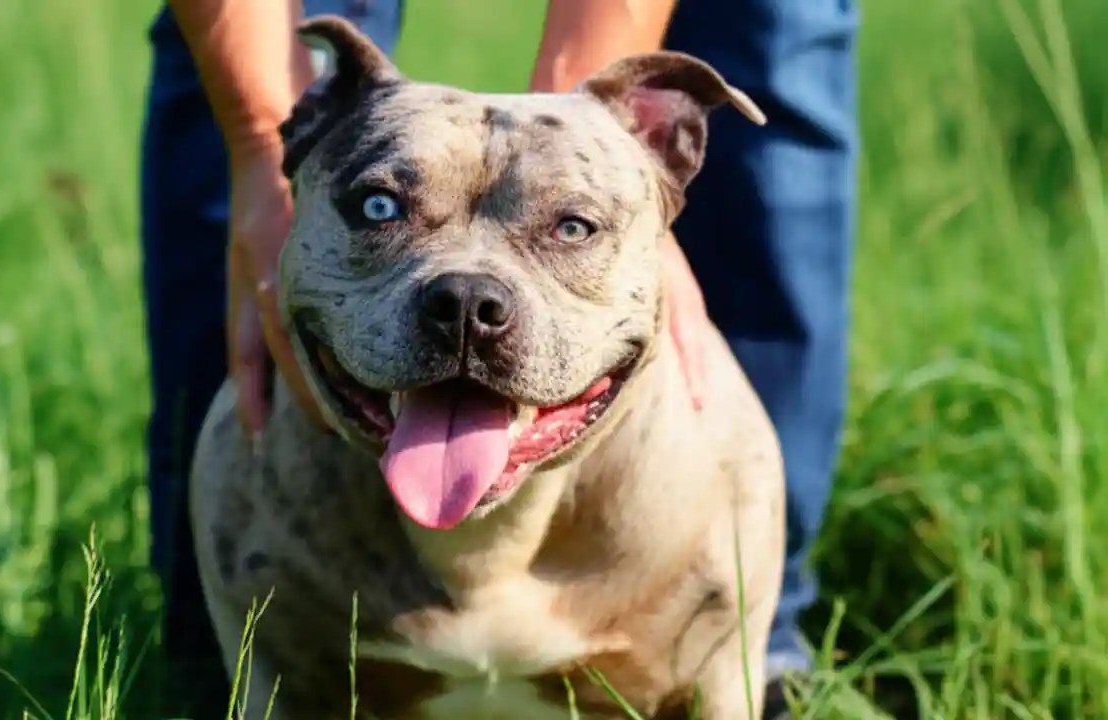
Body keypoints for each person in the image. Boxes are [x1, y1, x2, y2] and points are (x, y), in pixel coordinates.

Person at [138, 0, 855, 716]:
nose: (467, 297)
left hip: (661, 534)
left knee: (771, 25)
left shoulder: (715, 490)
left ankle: (772, 645)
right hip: (306, 541)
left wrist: (604, 135)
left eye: (573, 224)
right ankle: (202, 660)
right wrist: (262, 144)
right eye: (382, 208)